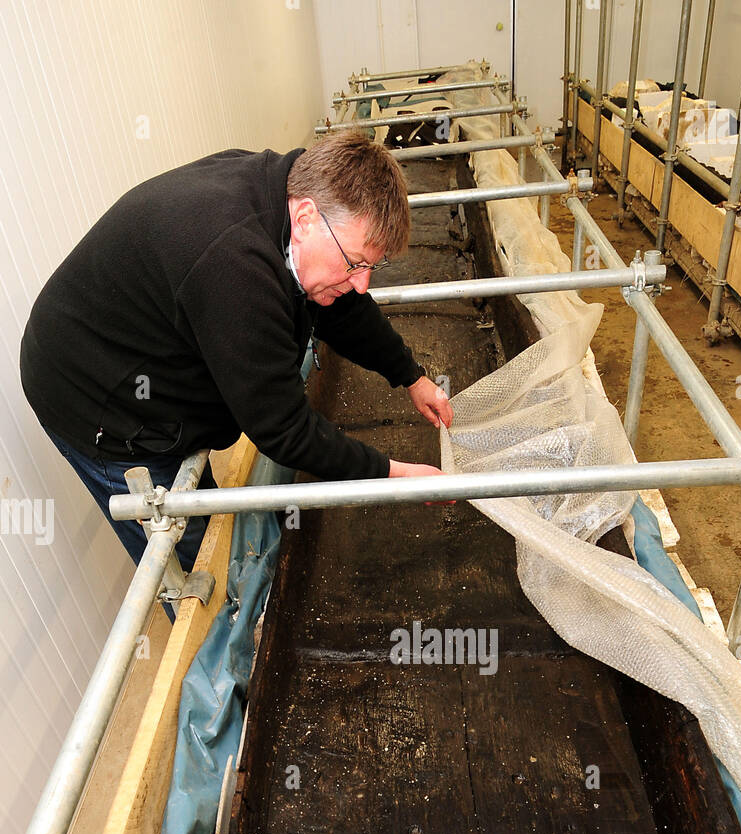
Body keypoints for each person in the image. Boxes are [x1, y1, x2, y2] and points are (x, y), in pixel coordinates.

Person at [20, 131, 453, 580]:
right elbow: (284, 429)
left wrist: (411, 377)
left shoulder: (295, 194)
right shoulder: (234, 265)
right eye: (355, 262)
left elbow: (343, 307)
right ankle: (219, 626)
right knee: (197, 562)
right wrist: (393, 475)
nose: (362, 283)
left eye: (371, 267)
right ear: (306, 217)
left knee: (213, 528)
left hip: (138, 334)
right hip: (90, 389)